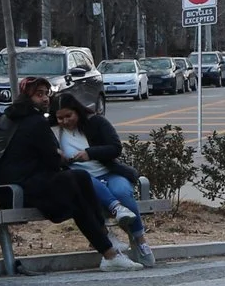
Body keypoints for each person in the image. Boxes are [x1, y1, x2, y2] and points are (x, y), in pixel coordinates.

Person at [0, 77, 140, 271]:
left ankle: (108, 245)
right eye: (39, 94)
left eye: (47, 93)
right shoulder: (34, 121)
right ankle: (108, 250)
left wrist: (57, 155)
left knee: (78, 180)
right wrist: (59, 155)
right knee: (75, 189)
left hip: (19, 184)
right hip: (19, 189)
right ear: (27, 96)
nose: (45, 99)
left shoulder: (14, 116)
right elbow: (52, 160)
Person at [55, 93, 153, 266]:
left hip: (109, 171)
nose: (64, 121)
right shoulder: (55, 131)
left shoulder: (96, 122)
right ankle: (116, 210)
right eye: (60, 118)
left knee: (122, 192)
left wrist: (90, 153)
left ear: (77, 112)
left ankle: (140, 241)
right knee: (84, 179)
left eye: (68, 116)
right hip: (83, 178)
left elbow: (115, 147)